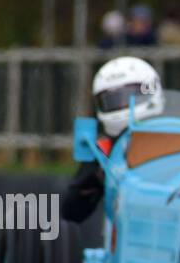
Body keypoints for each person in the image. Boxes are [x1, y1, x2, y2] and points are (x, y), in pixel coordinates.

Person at [62, 57, 164, 223]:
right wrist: (96, 178)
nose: (123, 106)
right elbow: (70, 212)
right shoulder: (105, 150)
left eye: (130, 97)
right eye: (114, 100)